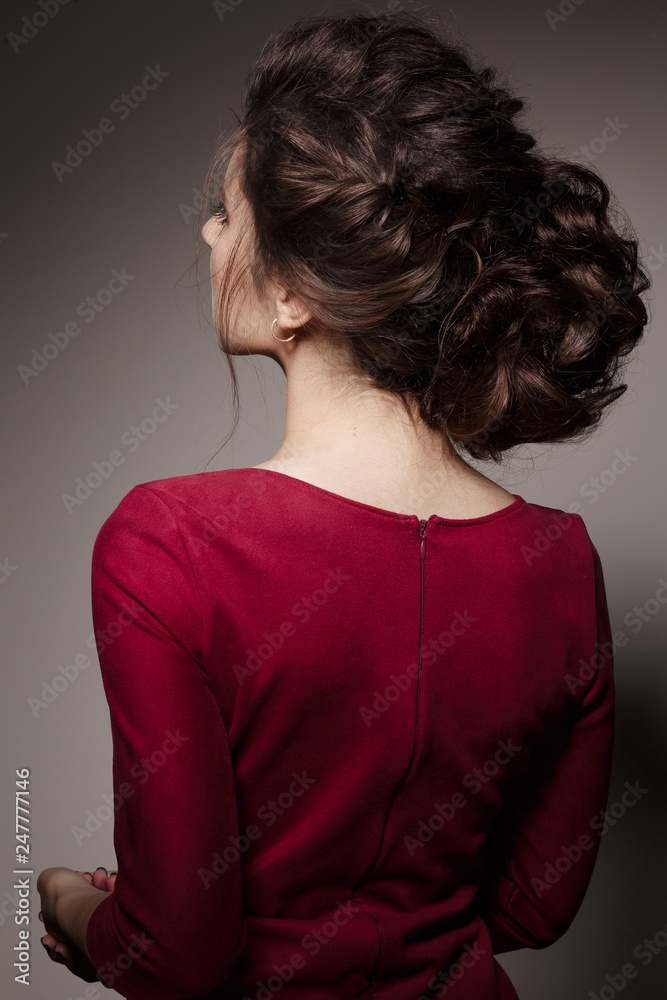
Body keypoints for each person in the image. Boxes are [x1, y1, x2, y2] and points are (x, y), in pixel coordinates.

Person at [37, 9, 650, 999]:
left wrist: (70, 899)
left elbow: (176, 954)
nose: (207, 231)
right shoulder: (558, 559)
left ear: (293, 295)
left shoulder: (167, 545)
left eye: (228, 214)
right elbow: (537, 904)